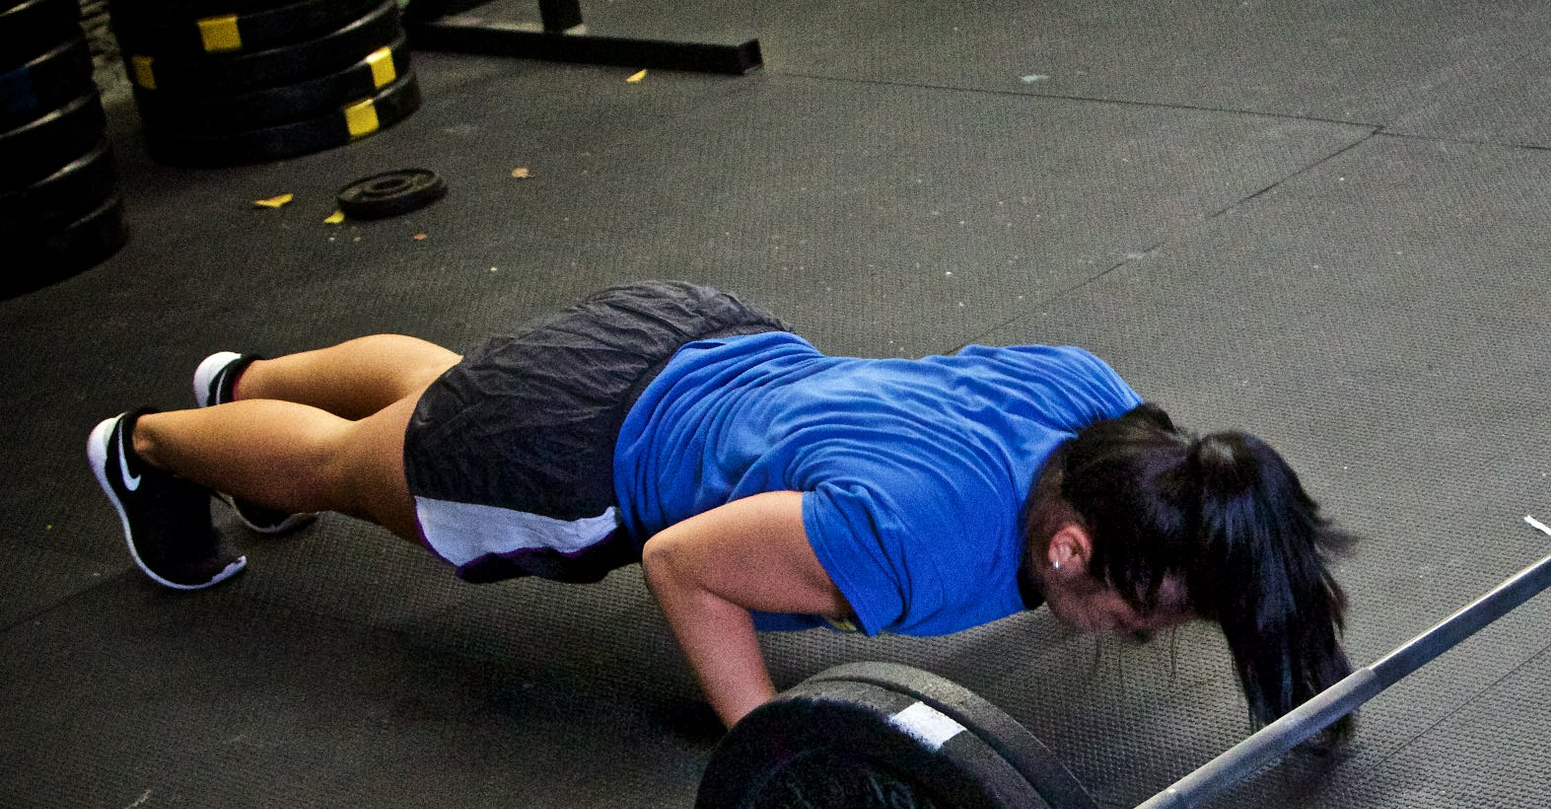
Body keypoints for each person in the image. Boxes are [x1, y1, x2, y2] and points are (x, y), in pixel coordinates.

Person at [87, 280, 1353, 730]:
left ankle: (240, 381)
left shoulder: (1102, 415)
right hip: (568, 456)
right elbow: (686, 564)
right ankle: (151, 445)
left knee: (435, 402)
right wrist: (762, 740)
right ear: (1071, 544)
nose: (1133, 639)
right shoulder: (909, 547)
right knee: (343, 472)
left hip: (690, 339)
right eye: (1137, 617)